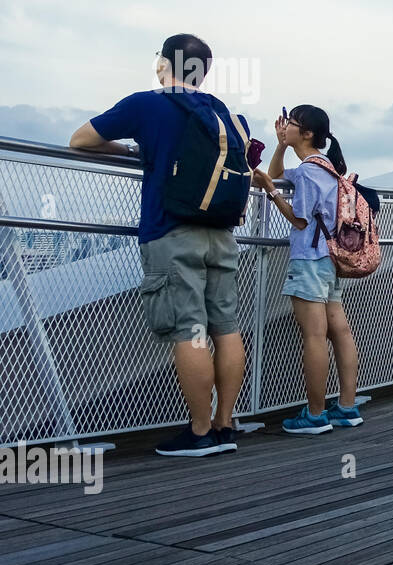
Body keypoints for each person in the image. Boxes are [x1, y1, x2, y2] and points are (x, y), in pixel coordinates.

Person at [71, 34, 250, 457]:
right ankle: (225, 425)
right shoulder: (219, 110)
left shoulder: (146, 103)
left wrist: (137, 152)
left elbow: (80, 140)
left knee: (189, 329)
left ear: (164, 63)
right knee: (225, 327)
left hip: (170, 230)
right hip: (221, 232)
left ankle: (200, 432)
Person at [252, 105, 363, 434]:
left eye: (292, 124)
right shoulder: (321, 165)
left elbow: (298, 217)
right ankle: (346, 407)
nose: (285, 126)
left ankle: (315, 415)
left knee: (314, 336)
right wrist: (281, 144)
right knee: (339, 331)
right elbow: (276, 173)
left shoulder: (311, 172)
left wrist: (271, 193)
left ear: (308, 133)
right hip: (329, 259)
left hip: (310, 258)